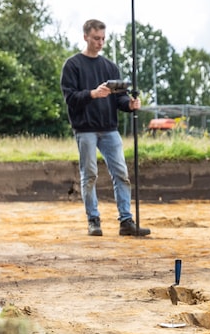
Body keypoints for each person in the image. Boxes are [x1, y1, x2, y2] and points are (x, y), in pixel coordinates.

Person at [61, 19, 150, 237]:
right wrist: (93, 93)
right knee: (89, 174)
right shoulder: (72, 66)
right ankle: (93, 220)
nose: (100, 43)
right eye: (96, 39)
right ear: (85, 37)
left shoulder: (110, 67)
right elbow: (70, 98)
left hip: (110, 129)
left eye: (102, 39)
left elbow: (119, 99)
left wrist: (130, 105)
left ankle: (126, 221)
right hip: (85, 130)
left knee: (121, 173)